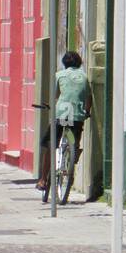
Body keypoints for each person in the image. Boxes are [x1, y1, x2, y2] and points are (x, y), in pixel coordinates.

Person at [35, 50, 92, 193]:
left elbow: (55, 96)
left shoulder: (59, 75)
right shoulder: (84, 77)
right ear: (79, 63)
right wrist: (87, 111)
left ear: (64, 63)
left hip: (62, 115)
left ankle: (42, 179)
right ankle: (73, 157)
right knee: (74, 138)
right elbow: (88, 98)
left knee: (50, 145)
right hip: (77, 116)